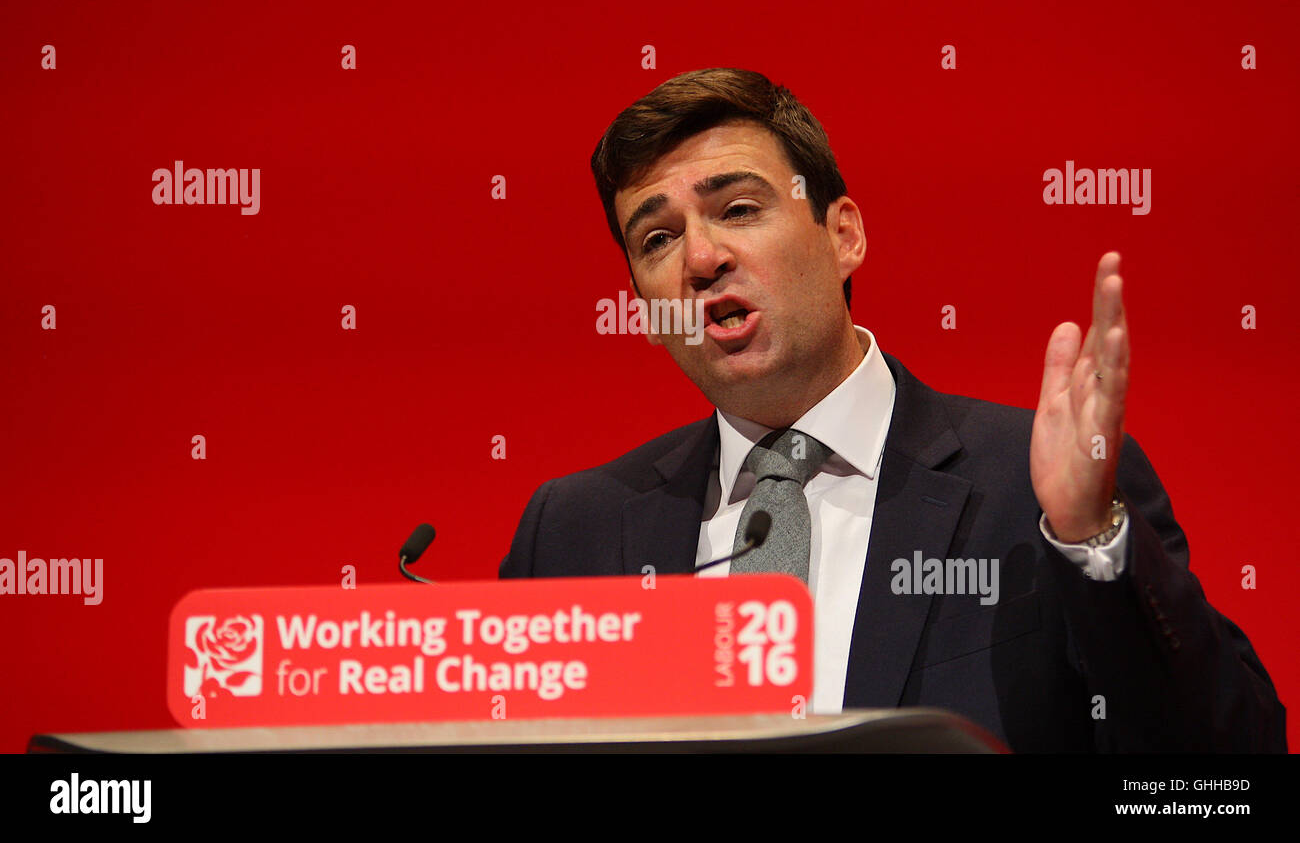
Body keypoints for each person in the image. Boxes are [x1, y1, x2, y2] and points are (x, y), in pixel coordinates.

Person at [499, 68, 1286, 752]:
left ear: (843, 235)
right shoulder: (575, 532)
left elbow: (1222, 771)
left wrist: (1093, 546)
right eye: (658, 239)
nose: (702, 260)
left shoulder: (1032, 491)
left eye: (738, 209)